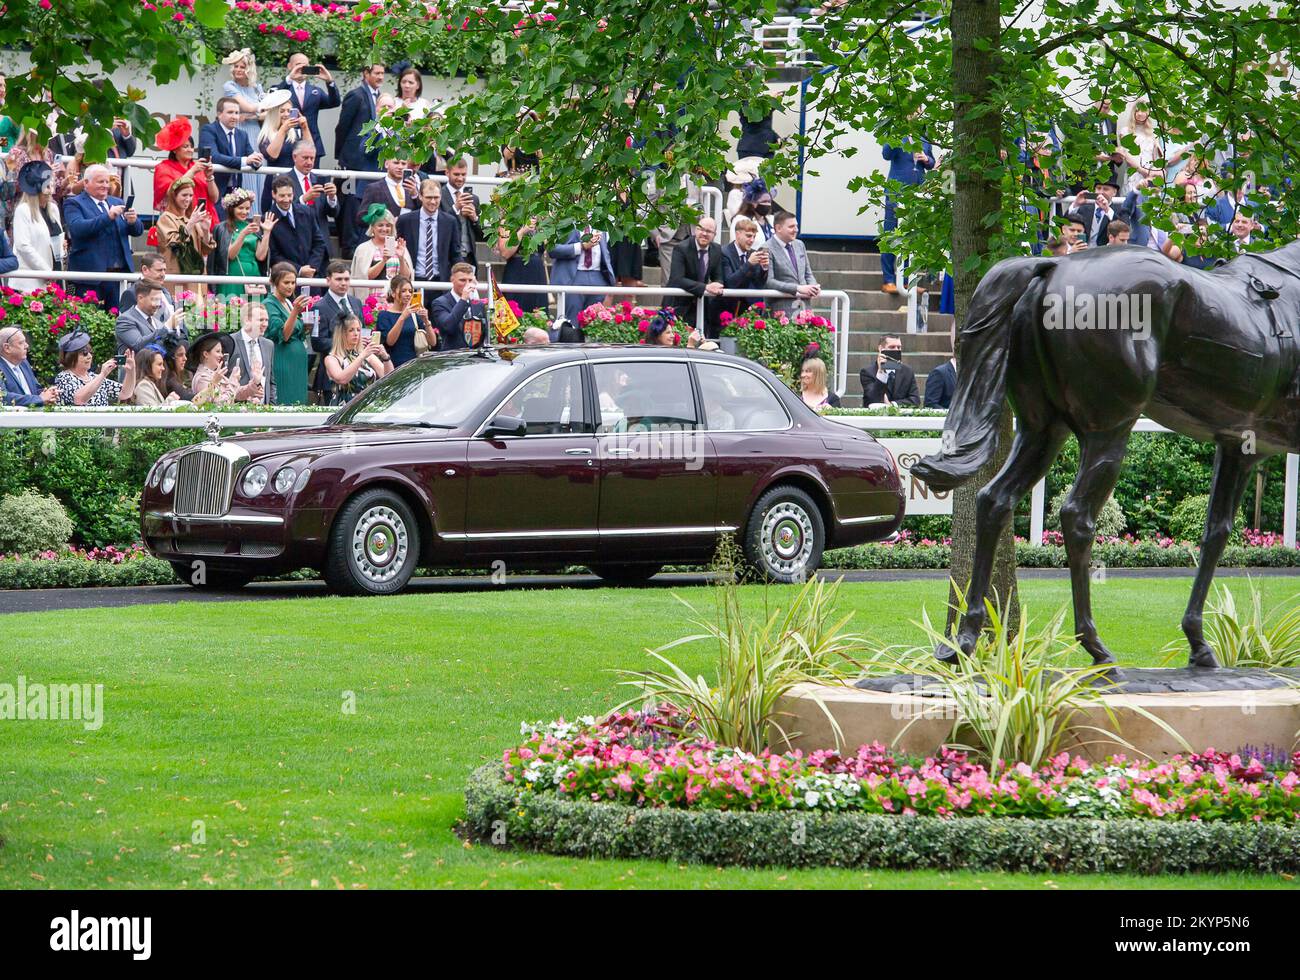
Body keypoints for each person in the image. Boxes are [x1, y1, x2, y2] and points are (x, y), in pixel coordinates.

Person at [64, 164, 143, 312]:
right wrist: (108, 216)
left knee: (117, 324)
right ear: (86, 183)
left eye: (107, 182)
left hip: (119, 277)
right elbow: (78, 229)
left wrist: (133, 222)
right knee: (85, 324)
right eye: (100, 182)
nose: (105, 186)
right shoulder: (73, 203)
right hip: (88, 278)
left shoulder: (117, 202)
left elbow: (137, 231)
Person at [879, 137, 934, 294]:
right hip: (896, 191)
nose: (915, 112)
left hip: (917, 192)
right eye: (912, 110)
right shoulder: (896, 133)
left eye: (917, 110)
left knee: (912, 237)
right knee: (890, 235)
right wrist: (895, 135)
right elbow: (886, 154)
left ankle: (906, 281)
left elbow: (931, 163)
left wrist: (926, 158)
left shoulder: (924, 138)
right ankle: (888, 280)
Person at [260, 141, 338, 246]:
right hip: (294, 243)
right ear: (294, 157)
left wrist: (332, 198)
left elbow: (332, 213)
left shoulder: (321, 179)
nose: (309, 162)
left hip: (320, 244)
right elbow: (279, 212)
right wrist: (303, 199)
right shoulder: (282, 179)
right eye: (305, 158)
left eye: (312, 158)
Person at [398, 180, 460, 303]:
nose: (433, 202)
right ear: (420, 196)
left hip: (441, 283)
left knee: (440, 321)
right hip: (414, 282)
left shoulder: (450, 221)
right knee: (416, 320)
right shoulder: (405, 221)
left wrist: (463, 273)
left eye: (436, 197)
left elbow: (455, 254)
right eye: (429, 197)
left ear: (441, 197)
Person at [272, 53, 340, 160]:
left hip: (311, 144)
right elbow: (273, 100)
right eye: (298, 65)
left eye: (306, 66)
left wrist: (329, 82)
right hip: (287, 145)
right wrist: (289, 79)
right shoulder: (281, 89)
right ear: (289, 66)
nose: (302, 69)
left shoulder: (315, 91)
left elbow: (334, 102)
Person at [199, 96, 265, 205]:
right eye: (230, 112)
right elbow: (214, 157)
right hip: (213, 190)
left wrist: (256, 160)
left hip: (235, 193)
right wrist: (245, 161)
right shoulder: (208, 130)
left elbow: (251, 158)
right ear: (219, 114)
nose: (234, 116)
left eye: (237, 113)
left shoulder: (242, 135)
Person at [152, 118, 219, 225]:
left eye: (192, 147)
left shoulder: (198, 167)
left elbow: (214, 198)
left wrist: (209, 177)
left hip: (204, 221)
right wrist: (193, 171)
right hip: (178, 221)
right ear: (174, 149)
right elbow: (170, 192)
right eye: (186, 146)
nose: (190, 150)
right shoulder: (164, 168)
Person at [221, 48, 268, 201]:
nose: (238, 70)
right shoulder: (230, 86)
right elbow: (248, 106)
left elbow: (267, 114)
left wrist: (247, 116)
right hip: (239, 131)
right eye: (236, 66)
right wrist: (256, 112)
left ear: (249, 69)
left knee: (259, 169)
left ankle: (259, 215)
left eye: (242, 66)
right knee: (244, 171)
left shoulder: (257, 87)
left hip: (256, 132)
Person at [155, 177, 216, 295]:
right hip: (177, 277)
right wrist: (191, 223)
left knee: (197, 311)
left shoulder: (191, 219)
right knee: (180, 310)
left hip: (197, 276)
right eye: (184, 195)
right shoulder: (166, 218)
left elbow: (206, 250)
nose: (188, 199)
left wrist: (206, 230)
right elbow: (175, 244)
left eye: (191, 195)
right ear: (174, 196)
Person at [264, 262, 312, 405]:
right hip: (282, 362)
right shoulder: (269, 303)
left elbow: (295, 330)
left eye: (293, 282)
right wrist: (296, 311)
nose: (290, 286)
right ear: (274, 282)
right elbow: (283, 335)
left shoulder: (289, 303)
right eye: (286, 282)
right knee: (285, 401)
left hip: (297, 365)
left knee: (298, 403)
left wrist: (306, 327)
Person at [11, 161, 63, 292]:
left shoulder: (54, 209)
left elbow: (56, 239)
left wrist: (62, 247)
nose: (51, 187)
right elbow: (23, 246)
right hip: (31, 282)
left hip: (55, 277)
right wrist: (46, 272)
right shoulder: (23, 210)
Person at [668, 217, 725, 337]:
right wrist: (706, 287)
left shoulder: (716, 249)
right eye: (701, 229)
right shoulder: (681, 248)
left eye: (709, 231)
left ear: (714, 234)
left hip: (701, 307)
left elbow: (718, 277)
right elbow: (677, 279)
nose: (704, 234)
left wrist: (717, 285)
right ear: (695, 230)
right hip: (678, 305)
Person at [265, 175, 328, 279]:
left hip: (313, 275)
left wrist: (312, 267)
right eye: (282, 195)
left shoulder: (307, 212)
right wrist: (299, 270)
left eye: (289, 195)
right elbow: (274, 255)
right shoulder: (268, 219)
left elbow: (319, 243)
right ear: (273, 194)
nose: (286, 199)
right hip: (285, 278)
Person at [549, 227, 614, 325]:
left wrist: (609, 280)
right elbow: (552, 249)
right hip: (572, 277)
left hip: (598, 277)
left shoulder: (600, 221)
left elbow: (605, 250)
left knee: (595, 324)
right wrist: (581, 247)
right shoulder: (565, 221)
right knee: (571, 322)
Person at [53, 329, 136, 406]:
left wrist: (131, 371)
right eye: (85, 353)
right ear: (71, 357)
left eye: (90, 352)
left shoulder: (94, 377)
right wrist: (103, 374)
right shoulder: (63, 377)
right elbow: (79, 400)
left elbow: (125, 394)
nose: (89, 356)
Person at [211, 188, 269, 297]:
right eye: (240, 208)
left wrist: (267, 232)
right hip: (233, 275)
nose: (245, 212)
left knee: (254, 311)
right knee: (233, 311)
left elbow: (260, 256)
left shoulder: (253, 226)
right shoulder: (223, 228)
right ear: (232, 209)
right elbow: (231, 255)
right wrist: (243, 234)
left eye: (247, 208)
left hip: (253, 275)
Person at [325, 313, 390, 405]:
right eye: (351, 330)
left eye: (358, 330)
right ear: (341, 334)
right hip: (343, 407)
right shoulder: (332, 358)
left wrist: (386, 357)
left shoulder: (367, 355)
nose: (356, 334)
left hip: (368, 405)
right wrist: (362, 356)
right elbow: (342, 379)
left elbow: (389, 377)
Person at [764, 211, 820, 314]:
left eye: (797, 226)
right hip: (780, 311)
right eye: (791, 227)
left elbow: (808, 273)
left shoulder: (800, 245)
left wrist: (813, 286)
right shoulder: (766, 248)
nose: (796, 230)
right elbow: (769, 281)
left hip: (805, 310)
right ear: (778, 228)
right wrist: (798, 288)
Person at [351, 204, 412, 300]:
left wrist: (401, 258)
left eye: (388, 225)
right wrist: (384, 261)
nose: (384, 229)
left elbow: (406, 277)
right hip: (372, 301)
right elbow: (366, 276)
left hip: (396, 301)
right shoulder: (363, 249)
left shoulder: (399, 247)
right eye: (380, 225)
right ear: (373, 227)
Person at [335, 63, 385, 178]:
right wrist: (342, 155)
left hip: (372, 159)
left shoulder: (381, 98)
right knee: (351, 193)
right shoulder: (356, 95)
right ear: (366, 74)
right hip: (354, 159)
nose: (381, 77)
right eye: (377, 73)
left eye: (382, 73)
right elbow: (342, 127)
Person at [378, 275, 439, 366]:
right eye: (403, 291)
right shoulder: (384, 315)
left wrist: (426, 321)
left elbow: (433, 342)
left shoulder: (414, 315)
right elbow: (390, 342)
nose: (408, 294)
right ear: (393, 293)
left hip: (413, 365)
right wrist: (402, 317)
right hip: (393, 366)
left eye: (410, 291)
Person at [115, 281, 186, 356]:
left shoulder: (157, 320)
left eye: (160, 300)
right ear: (140, 298)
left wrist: (174, 330)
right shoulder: (125, 320)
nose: (158, 304)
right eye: (154, 299)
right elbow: (138, 345)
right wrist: (167, 327)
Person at [189, 331, 260, 405]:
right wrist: (233, 381)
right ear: (206, 354)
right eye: (218, 351)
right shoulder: (202, 378)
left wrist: (255, 382)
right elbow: (221, 404)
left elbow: (237, 394)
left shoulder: (217, 375)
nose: (221, 355)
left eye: (221, 352)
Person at [495, 215, 546, 314]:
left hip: (537, 272)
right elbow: (505, 253)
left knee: (538, 313)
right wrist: (522, 231)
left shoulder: (541, 221)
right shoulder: (508, 222)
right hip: (517, 271)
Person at [719, 216, 768, 320]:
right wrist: (749, 264)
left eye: (754, 237)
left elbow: (759, 283)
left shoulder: (753, 253)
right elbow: (730, 282)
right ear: (737, 234)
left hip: (749, 310)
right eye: (749, 236)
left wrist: (764, 269)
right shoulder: (724, 252)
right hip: (727, 310)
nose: (752, 240)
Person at [227, 303, 275, 405]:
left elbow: (271, 381)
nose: (265, 324)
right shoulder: (230, 341)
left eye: (266, 320)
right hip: (237, 409)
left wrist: (272, 406)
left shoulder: (268, 345)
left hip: (264, 410)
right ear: (247, 320)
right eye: (261, 320)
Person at [357, 157, 422, 231]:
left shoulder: (411, 187)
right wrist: (384, 221)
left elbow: (422, 215)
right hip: (382, 238)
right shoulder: (374, 188)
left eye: (403, 164)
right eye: (396, 163)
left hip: (405, 239)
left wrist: (415, 196)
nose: (400, 167)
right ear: (386, 164)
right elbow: (361, 219)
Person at [0, 326, 56, 406]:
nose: (26, 346)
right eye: (21, 343)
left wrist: (48, 394)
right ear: (7, 348)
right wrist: (40, 399)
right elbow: (3, 396)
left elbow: (35, 389)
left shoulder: (24, 363)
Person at [441, 158, 483, 264]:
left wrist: (475, 218)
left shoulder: (474, 199)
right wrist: (456, 207)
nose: (460, 178)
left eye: (463, 174)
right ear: (447, 172)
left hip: (469, 256)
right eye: (456, 174)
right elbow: (439, 223)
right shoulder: (438, 196)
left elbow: (482, 235)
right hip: (447, 256)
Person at [859, 334, 919, 406]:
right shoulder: (867, 372)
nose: (896, 350)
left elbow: (915, 400)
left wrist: (892, 405)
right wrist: (881, 373)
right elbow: (871, 399)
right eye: (892, 347)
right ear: (881, 349)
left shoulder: (907, 371)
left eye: (899, 347)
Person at [120, 255, 177, 325]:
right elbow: (129, 324)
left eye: (164, 270)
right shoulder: (131, 293)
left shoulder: (165, 291)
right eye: (159, 270)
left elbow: (177, 320)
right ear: (145, 269)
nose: (163, 274)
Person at [256, 89, 300, 170]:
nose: (286, 114)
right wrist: (283, 130)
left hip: (294, 178)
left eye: (289, 111)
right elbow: (272, 156)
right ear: (274, 114)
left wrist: (305, 127)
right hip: (275, 178)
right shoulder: (265, 135)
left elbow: (310, 151)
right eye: (282, 111)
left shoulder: (295, 133)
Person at [728, 179, 776, 246]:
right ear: (753, 202)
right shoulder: (740, 220)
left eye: (769, 201)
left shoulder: (771, 220)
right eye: (764, 201)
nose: (767, 204)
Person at [0, 75, 19, 153]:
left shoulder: (12, 109)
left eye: (5, 86)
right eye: (0, 85)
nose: (3, 89)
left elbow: (19, 140)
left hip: (8, 159)